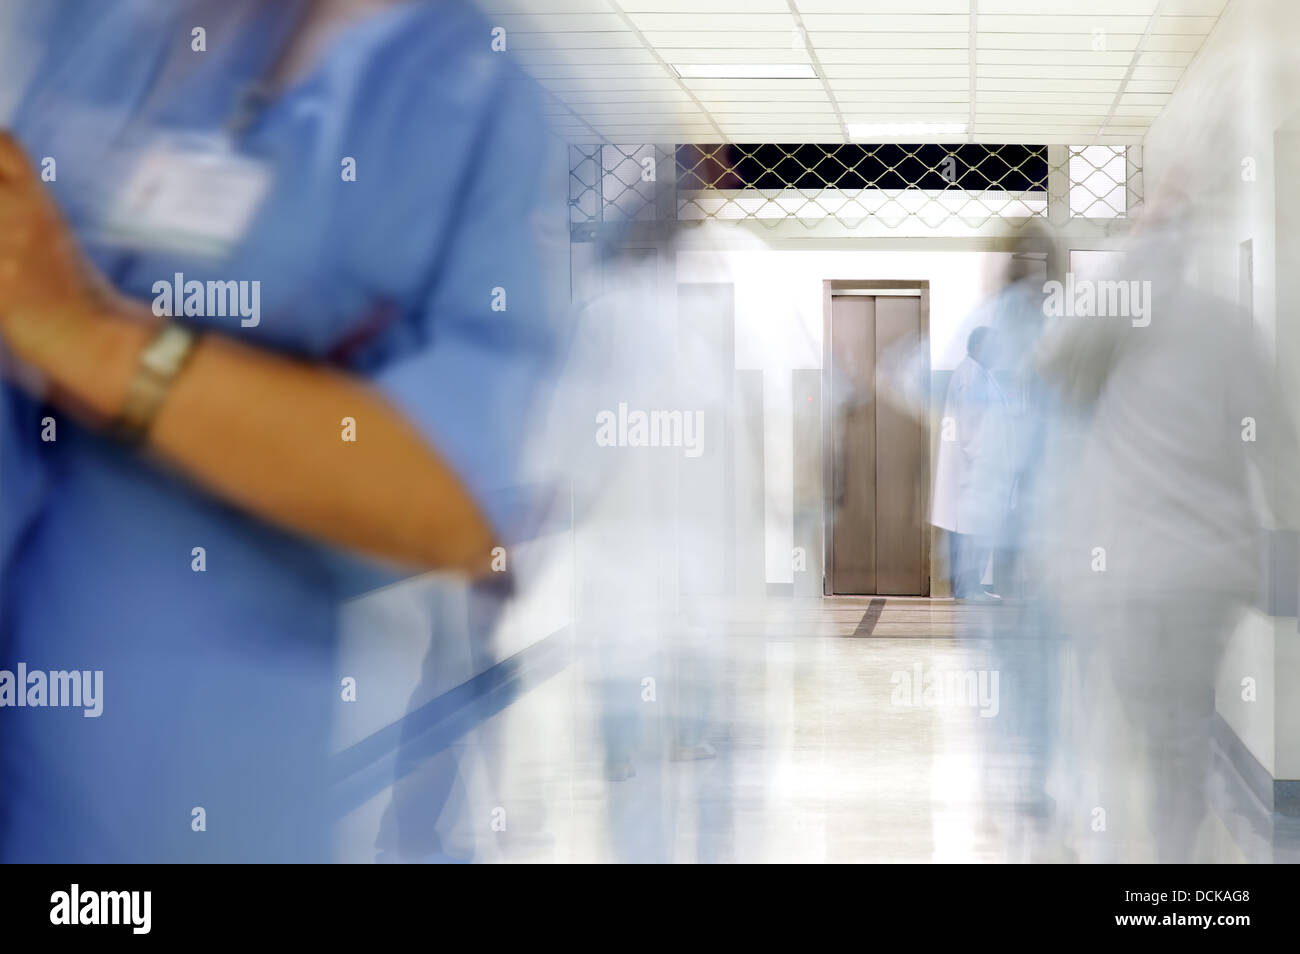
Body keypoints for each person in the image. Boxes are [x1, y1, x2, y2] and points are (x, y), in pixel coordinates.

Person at [0, 0, 567, 861]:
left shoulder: (469, 89)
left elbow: (460, 497)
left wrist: (88, 340)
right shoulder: (101, 39)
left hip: (212, 780)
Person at [931, 325, 1014, 601]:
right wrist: (982, 467)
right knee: (968, 533)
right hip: (973, 473)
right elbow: (970, 430)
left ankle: (971, 587)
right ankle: (967, 589)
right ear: (978, 347)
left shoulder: (979, 375)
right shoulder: (970, 378)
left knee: (974, 532)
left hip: (979, 473)